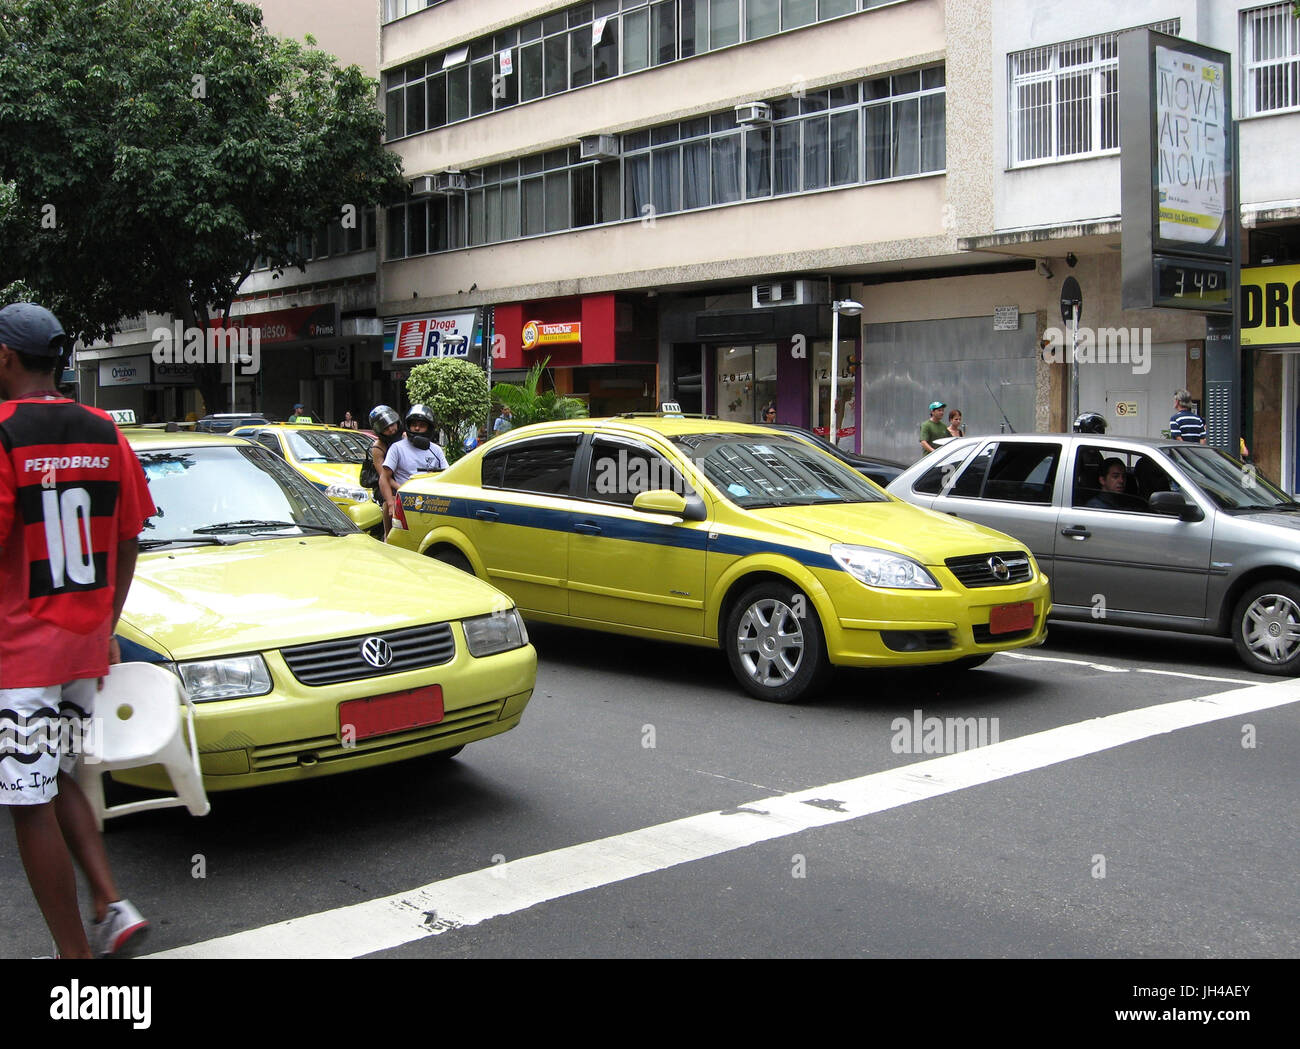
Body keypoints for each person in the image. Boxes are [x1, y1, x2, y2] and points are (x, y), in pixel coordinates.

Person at [0, 303, 155, 958]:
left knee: (27, 801)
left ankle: (74, 957)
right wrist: (105, 624)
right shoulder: (105, 432)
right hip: (79, 652)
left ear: (6, 358)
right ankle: (108, 900)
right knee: (59, 772)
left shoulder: (4, 435)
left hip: (20, 660)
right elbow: (129, 540)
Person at [383, 404, 449, 495]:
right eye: (414, 425)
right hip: (406, 498)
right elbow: (385, 477)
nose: (417, 428)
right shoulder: (397, 448)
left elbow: (447, 474)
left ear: (429, 428)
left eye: (422, 425)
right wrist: (402, 491)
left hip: (431, 498)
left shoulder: (436, 450)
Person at [367, 405, 403, 539]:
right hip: (390, 485)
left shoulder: (404, 437)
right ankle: (388, 537)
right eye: (386, 428)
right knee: (390, 505)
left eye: (392, 425)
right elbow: (384, 476)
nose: (391, 430)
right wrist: (401, 488)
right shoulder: (378, 447)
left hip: (405, 480)